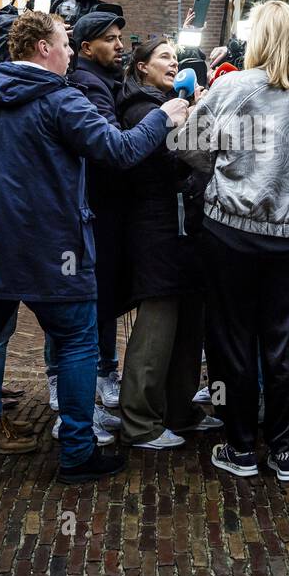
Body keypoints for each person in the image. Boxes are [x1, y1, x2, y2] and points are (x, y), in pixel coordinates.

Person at [0, 10, 189, 484]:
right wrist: (163, 117)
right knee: (79, 343)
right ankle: (78, 454)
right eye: (63, 42)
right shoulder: (62, 100)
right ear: (44, 48)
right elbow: (119, 151)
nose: (68, 52)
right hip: (50, 251)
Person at [178, 0, 289, 483]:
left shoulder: (232, 87)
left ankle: (239, 446)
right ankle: (284, 448)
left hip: (229, 230)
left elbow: (187, 145)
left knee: (231, 338)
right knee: (281, 337)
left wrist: (221, 172)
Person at [116, 38, 221, 449]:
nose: (173, 63)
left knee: (187, 326)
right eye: (164, 57)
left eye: (176, 58)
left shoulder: (170, 102)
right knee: (157, 326)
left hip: (185, 233)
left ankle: (181, 409)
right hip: (158, 231)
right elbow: (172, 162)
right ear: (141, 67)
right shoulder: (143, 110)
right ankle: (139, 421)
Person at [68, 10, 129, 411]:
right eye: (110, 39)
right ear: (86, 48)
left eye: (120, 38)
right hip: (94, 208)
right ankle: (94, 377)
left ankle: (101, 372)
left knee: (99, 296)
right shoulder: (88, 84)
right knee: (91, 297)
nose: (120, 45)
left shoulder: (106, 80)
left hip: (101, 208)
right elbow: (111, 148)